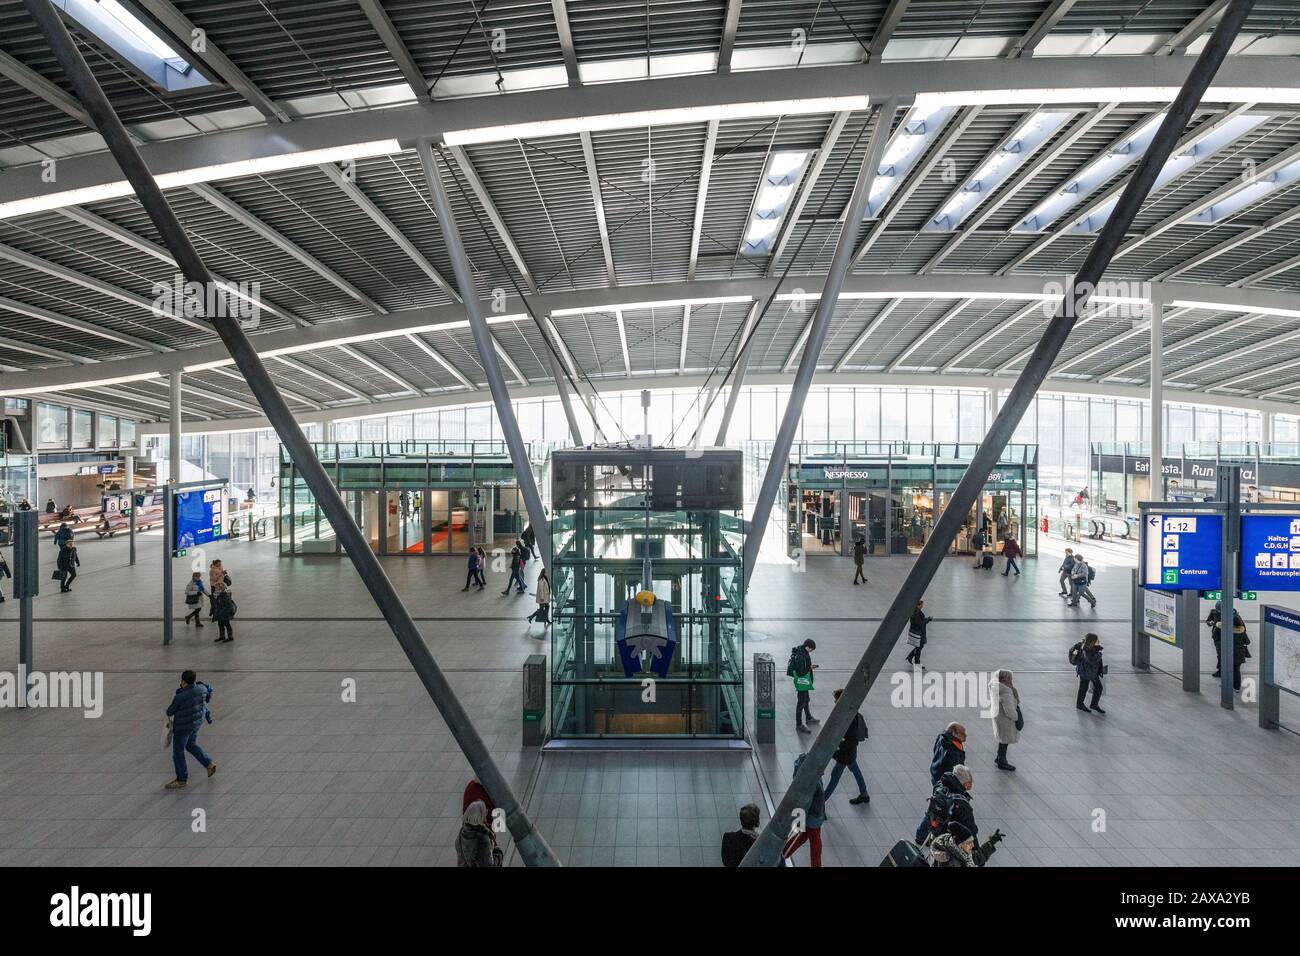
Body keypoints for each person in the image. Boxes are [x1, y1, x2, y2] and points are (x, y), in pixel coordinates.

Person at [164, 669, 217, 789]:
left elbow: (169, 711)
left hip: (183, 727)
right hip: (196, 723)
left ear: (183, 681)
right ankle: (208, 764)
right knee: (190, 744)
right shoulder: (202, 688)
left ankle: (181, 779)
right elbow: (207, 698)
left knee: (178, 752)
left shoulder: (180, 696)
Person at [915, 722, 967, 843]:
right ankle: (921, 836)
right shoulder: (953, 750)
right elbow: (954, 770)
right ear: (953, 733)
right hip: (945, 783)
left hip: (937, 776)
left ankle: (928, 835)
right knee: (936, 810)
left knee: (938, 809)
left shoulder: (942, 737)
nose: (965, 736)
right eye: (962, 733)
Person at [823, 688, 870, 805]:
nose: (834, 702)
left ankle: (821, 801)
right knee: (855, 771)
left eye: (836, 700)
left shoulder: (850, 717)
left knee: (835, 776)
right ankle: (864, 794)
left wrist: (838, 745)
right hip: (849, 753)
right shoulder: (849, 712)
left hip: (846, 754)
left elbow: (853, 740)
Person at [781, 753, 826, 868]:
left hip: (812, 816)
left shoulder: (809, 772)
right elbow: (807, 802)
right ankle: (780, 857)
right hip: (812, 818)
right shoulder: (812, 781)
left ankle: (781, 855)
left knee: (802, 837)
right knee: (816, 846)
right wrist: (801, 819)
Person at [918, 765, 977, 848]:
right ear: (966, 784)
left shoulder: (940, 784)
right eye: (970, 782)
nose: (971, 785)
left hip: (933, 822)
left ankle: (920, 836)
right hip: (945, 835)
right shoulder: (961, 802)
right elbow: (971, 829)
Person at [930, 822, 1003, 868]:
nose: (973, 845)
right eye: (969, 842)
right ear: (958, 844)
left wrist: (991, 842)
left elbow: (977, 857)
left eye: (972, 841)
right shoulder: (946, 859)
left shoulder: (962, 853)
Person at [988, 669, 1020, 772]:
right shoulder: (1006, 691)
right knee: (1005, 740)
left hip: (998, 717)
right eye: (1010, 678)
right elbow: (1009, 711)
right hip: (1005, 720)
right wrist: (1016, 717)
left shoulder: (996, 687)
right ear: (1005, 679)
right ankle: (1002, 761)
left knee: (1002, 739)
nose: (1011, 680)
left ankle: (999, 758)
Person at [1205, 603, 1247, 681]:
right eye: (1218, 610)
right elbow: (1208, 620)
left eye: (1221, 610)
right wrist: (1209, 623)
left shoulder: (1234, 615)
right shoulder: (1213, 612)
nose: (1219, 612)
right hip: (1218, 637)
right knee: (1220, 654)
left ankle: (1226, 671)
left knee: (1227, 655)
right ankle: (1221, 670)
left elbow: (1242, 628)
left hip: (1229, 637)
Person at [456, 800, 503, 867]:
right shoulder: (482, 839)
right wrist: (498, 854)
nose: (486, 814)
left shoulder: (463, 832)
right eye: (484, 812)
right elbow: (489, 865)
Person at [787, 638, 819, 733]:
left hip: (804, 681)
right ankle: (799, 724)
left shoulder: (803, 652)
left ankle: (808, 717)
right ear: (807, 647)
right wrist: (809, 668)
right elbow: (800, 672)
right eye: (811, 649)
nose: (811, 651)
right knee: (801, 702)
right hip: (802, 681)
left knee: (806, 700)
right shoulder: (801, 656)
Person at [1072, 632, 1105, 713]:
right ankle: (1086, 704)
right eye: (1097, 640)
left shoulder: (1090, 647)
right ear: (1092, 641)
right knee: (1095, 687)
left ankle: (1085, 704)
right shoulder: (1087, 650)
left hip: (1088, 671)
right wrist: (1100, 654)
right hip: (1088, 673)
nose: (1099, 641)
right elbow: (1091, 660)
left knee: (1085, 688)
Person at [905, 598, 931, 668]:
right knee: (919, 647)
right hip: (918, 632)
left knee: (919, 646)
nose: (922, 606)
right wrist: (927, 620)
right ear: (918, 605)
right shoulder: (916, 612)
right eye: (922, 604)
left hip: (919, 632)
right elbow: (920, 623)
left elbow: (920, 621)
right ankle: (917, 663)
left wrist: (926, 620)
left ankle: (910, 657)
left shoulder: (917, 611)